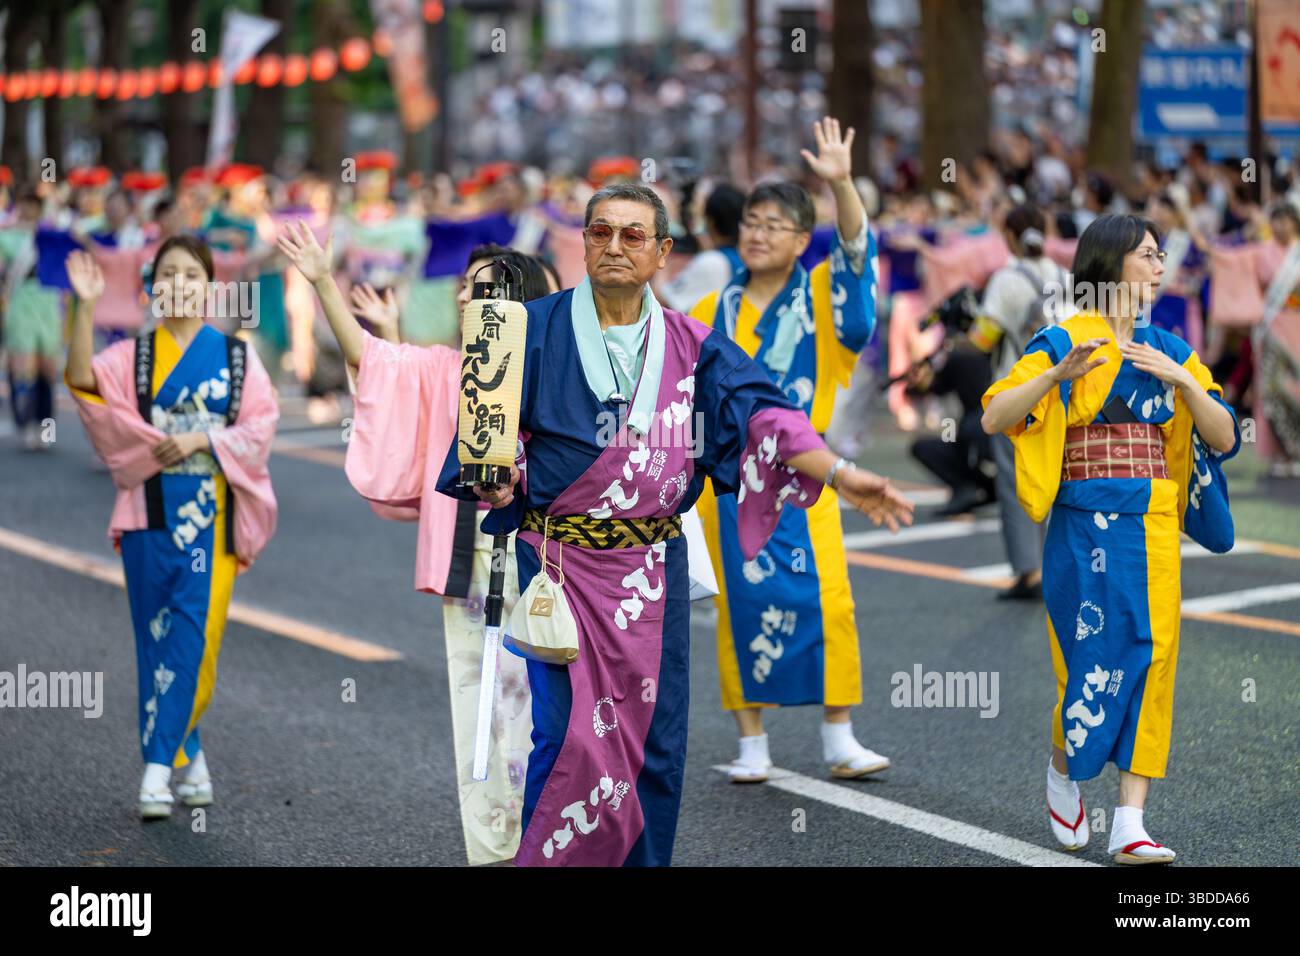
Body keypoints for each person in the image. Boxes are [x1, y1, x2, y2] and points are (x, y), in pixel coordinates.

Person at [291, 179, 912, 867]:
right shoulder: (528, 328)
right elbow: (484, 442)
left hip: (653, 570)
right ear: (583, 243)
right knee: (568, 740)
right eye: (600, 232)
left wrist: (841, 473)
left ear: (662, 252)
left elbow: (763, 412)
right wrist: (495, 474)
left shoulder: (693, 342)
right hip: (561, 566)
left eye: (633, 235)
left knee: (656, 743)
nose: (615, 246)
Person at [982, 214, 1239, 864]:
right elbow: (994, 414)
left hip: (1151, 522)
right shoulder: (1065, 338)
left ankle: (1131, 820)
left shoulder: (1170, 349)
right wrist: (1051, 377)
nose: (1159, 266)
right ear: (1109, 265)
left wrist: (1183, 383)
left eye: (1159, 256)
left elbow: (1225, 436)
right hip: (1081, 519)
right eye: (1148, 255)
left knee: (1153, 659)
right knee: (1091, 662)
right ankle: (1064, 767)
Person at [334, 241, 558, 864]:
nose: (462, 297)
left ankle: (548, 843)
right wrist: (321, 281)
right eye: (463, 286)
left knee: (551, 713)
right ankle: (494, 854)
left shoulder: (559, 371)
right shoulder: (449, 366)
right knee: (481, 715)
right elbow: (374, 362)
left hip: (551, 562)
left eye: (477, 288)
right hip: (477, 564)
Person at [688, 117, 891, 783]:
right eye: (751, 221)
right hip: (732, 481)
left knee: (828, 601)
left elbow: (859, 253)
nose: (757, 233)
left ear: (803, 239)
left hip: (807, 476)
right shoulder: (715, 307)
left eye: (775, 225)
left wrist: (840, 184)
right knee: (737, 607)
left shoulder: (825, 301)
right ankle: (753, 744)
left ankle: (839, 736)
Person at [64, 236, 279, 820]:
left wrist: (203, 439)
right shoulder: (131, 357)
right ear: (152, 286)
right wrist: (84, 305)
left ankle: (157, 770)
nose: (179, 283)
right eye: (167, 274)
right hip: (147, 516)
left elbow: (261, 428)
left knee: (194, 639)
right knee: (157, 641)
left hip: (214, 516)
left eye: (191, 274)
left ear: (208, 286)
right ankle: (191, 758)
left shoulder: (237, 357)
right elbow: (83, 384)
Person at [967, 204, 1071, 598]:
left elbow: (982, 338)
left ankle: (1030, 571)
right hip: (1063, 394)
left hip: (1018, 392)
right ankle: (1060, 566)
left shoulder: (1006, 279)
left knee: (1015, 484)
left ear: (1009, 237)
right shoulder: (1067, 276)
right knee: (1060, 481)